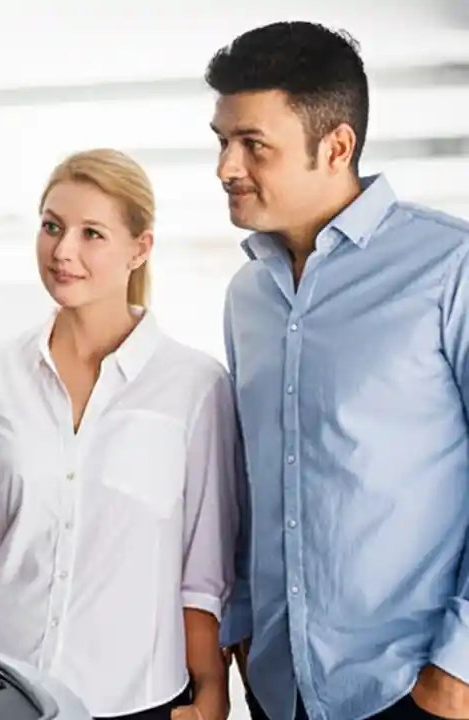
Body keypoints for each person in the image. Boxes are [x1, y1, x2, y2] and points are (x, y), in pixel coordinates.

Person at [0, 148, 241, 720]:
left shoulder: (195, 385)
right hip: (0, 689)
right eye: (51, 227)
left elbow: (202, 571)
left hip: (134, 700)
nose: (63, 251)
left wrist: (211, 688)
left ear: (140, 248)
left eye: (92, 233)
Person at [209, 21, 469, 720]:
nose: (226, 167)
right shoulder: (247, 296)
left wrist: (458, 669)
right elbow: (253, 477)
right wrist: (241, 620)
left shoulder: (451, 268)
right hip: (278, 686)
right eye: (222, 140)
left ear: (336, 147)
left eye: (253, 144)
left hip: (411, 689)